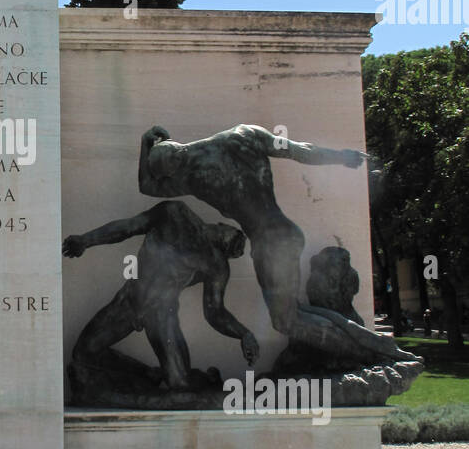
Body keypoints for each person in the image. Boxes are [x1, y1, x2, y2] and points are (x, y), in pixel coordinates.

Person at [136, 123, 408, 367]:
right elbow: (299, 150)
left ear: (174, 166)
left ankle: (370, 358)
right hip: (285, 235)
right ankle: (379, 348)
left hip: (270, 244)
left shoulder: (192, 179)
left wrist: (145, 143)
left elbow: (147, 187)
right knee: (298, 312)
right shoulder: (243, 135)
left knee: (286, 320)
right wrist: (341, 157)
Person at [63, 200, 258, 393]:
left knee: (180, 383)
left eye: (236, 252)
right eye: (236, 237)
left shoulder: (216, 265)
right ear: (222, 224)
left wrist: (243, 333)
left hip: (161, 314)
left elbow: (215, 312)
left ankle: (208, 380)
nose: (237, 249)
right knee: (83, 354)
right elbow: (127, 227)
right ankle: (148, 374)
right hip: (129, 302)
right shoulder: (174, 213)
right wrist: (85, 240)